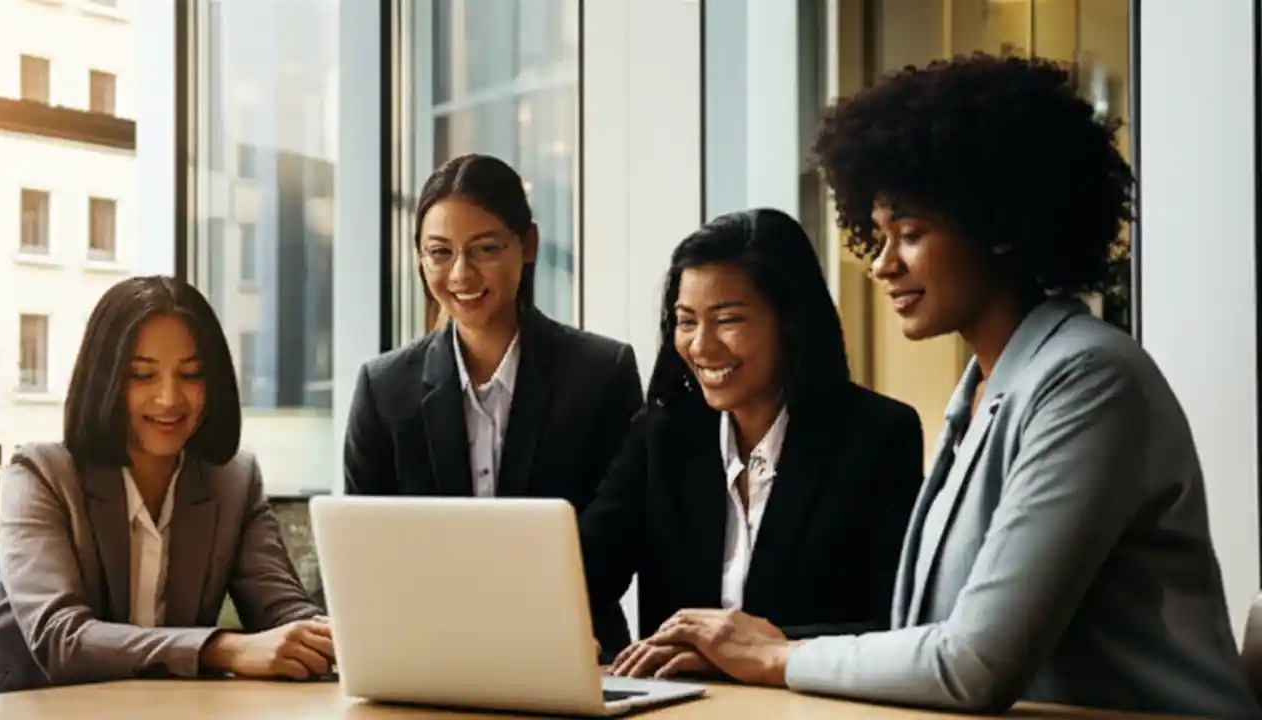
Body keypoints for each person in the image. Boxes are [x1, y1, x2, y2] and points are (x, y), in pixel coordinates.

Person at [640, 54, 1260, 718]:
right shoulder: (985, 393)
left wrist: (775, 657)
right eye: (876, 237)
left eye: (909, 234)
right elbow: (924, 639)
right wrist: (758, 649)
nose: (882, 265)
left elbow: (973, 666)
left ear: (996, 225)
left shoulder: (1088, 382)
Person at [579, 208, 924, 672]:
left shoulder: (878, 438)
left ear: (791, 322)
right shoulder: (662, 435)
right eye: (686, 321)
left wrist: (738, 653)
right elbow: (582, 577)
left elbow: (892, 625)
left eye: (728, 320)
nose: (701, 346)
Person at [343, 154, 642, 650]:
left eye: (484, 248)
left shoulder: (599, 374)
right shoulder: (384, 388)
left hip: (570, 652)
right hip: (426, 655)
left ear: (527, 245)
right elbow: (365, 556)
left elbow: (614, 544)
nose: (461, 274)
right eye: (439, 253)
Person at [0, 277, 333, 694]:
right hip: (20, 703)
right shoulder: (40, 473)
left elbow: (281, 610)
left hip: (159, 707)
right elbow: (61, 639)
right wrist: (223, 649)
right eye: (142, 376)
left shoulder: (234, 481)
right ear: (105, 380)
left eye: (191, 374)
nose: (169, 399)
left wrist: (333, 637)